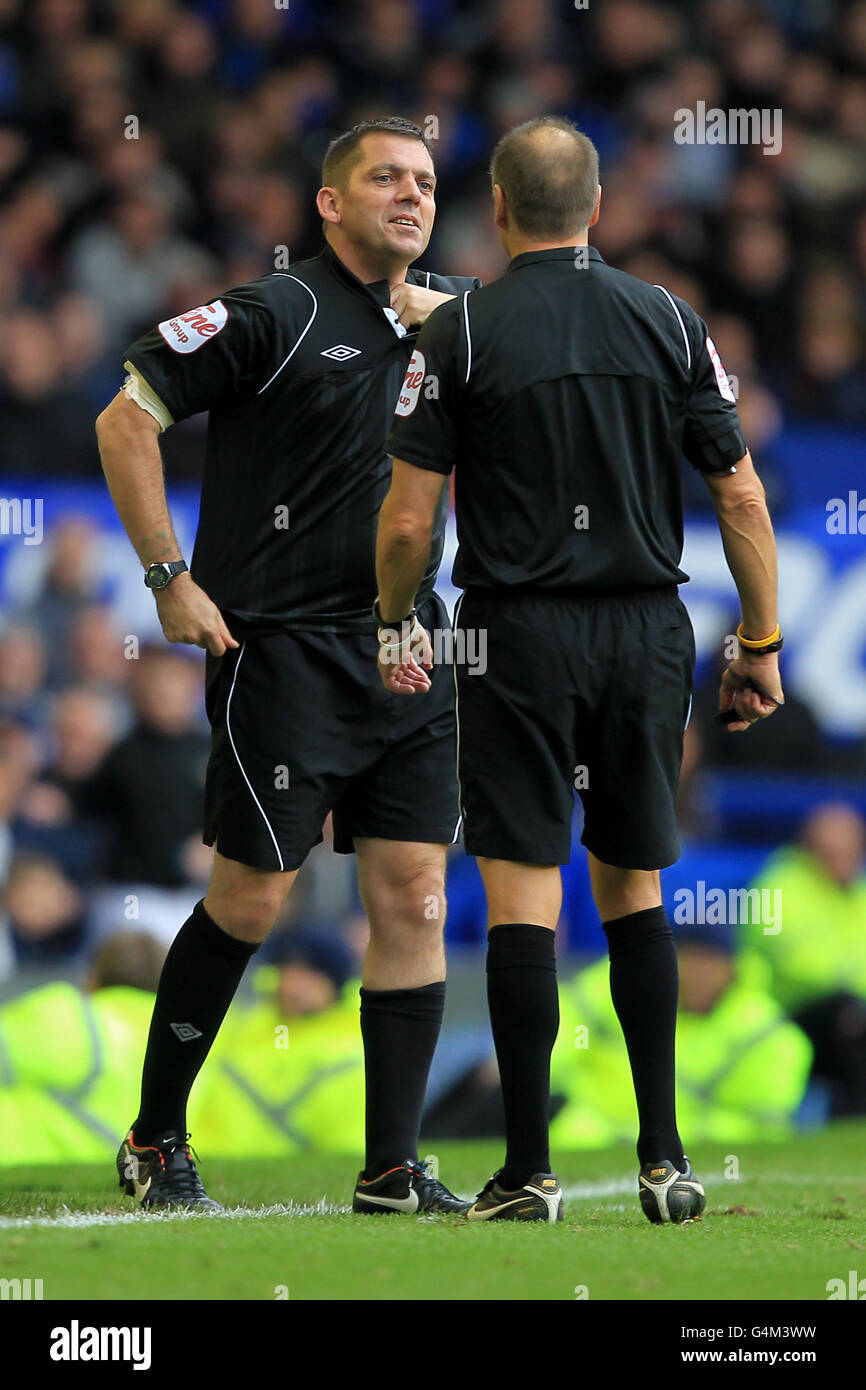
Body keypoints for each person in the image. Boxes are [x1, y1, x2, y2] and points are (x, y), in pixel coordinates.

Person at [375, 116, 784, 1224]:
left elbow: (410, 522)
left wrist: (396, 620)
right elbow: (738, 495)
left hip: (511, 634)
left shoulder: (457, 335)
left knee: (521, 896)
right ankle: (662, 1157)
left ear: (496, 212)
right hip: (646, 629)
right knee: (633, 889)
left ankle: (527, 1172)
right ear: (595, 207)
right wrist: (758, 644)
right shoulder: (667, 317)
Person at [95, 116, 480, 1214]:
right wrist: (169, 575)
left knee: (411, 891)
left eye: (422, 181)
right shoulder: (276, 310)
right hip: (284, 651)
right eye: (383, 179)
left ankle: (390, 1167)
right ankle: (156, 1136)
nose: (409, 196)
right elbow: (125, 421)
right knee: (252, 899)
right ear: (328, 201)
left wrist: (459, 321)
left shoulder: (455, 316)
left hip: (410, 645)